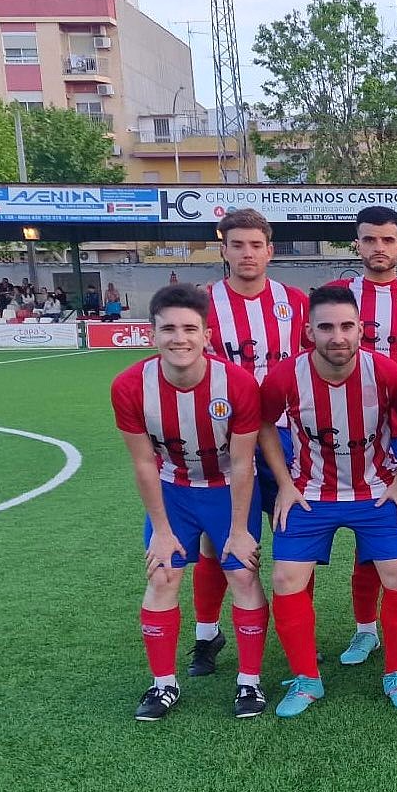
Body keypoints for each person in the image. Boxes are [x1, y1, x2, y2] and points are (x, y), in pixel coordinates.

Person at [258, 284, 397, 716]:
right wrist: (284, 482)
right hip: (310, 494)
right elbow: (263, 424)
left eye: (347, 326)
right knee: (285, 580)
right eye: (326, 327)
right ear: (309, 331)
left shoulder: (385, 373)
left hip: (377, 491)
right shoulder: (285, 376)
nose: (338, 336)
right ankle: (307, 680)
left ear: (361, 330)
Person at [110, 283, 270, 721]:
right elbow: (144, 463)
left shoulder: (237, 384)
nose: (179, 338)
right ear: (152, 334)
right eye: (168, 329)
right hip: (173, 491)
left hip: (227, 489)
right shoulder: (129, 386)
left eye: (189, 329)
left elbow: (243, 463)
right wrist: (161, 531)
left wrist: (239, 530)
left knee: (243, 573)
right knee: (163, 574)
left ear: (206, 335)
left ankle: (249, 681)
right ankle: (163, 684)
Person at [188, 208, 310, 679]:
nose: (247, 254)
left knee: (293, 540)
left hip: (285, 437)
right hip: (223, 441)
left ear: (270, 250)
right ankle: (206, 635)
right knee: (214, 542)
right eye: (237, 245)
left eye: (255, 245)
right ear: (223, 250)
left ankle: (298, 639)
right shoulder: (204, 303)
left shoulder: (294, 302)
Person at [325, 205, 397, 665]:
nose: (379, 247)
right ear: (357, 244)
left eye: (388, 239)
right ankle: (365, 629)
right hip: (355, 435)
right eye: (369, 239)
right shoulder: (339, 295)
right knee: (368, 539)